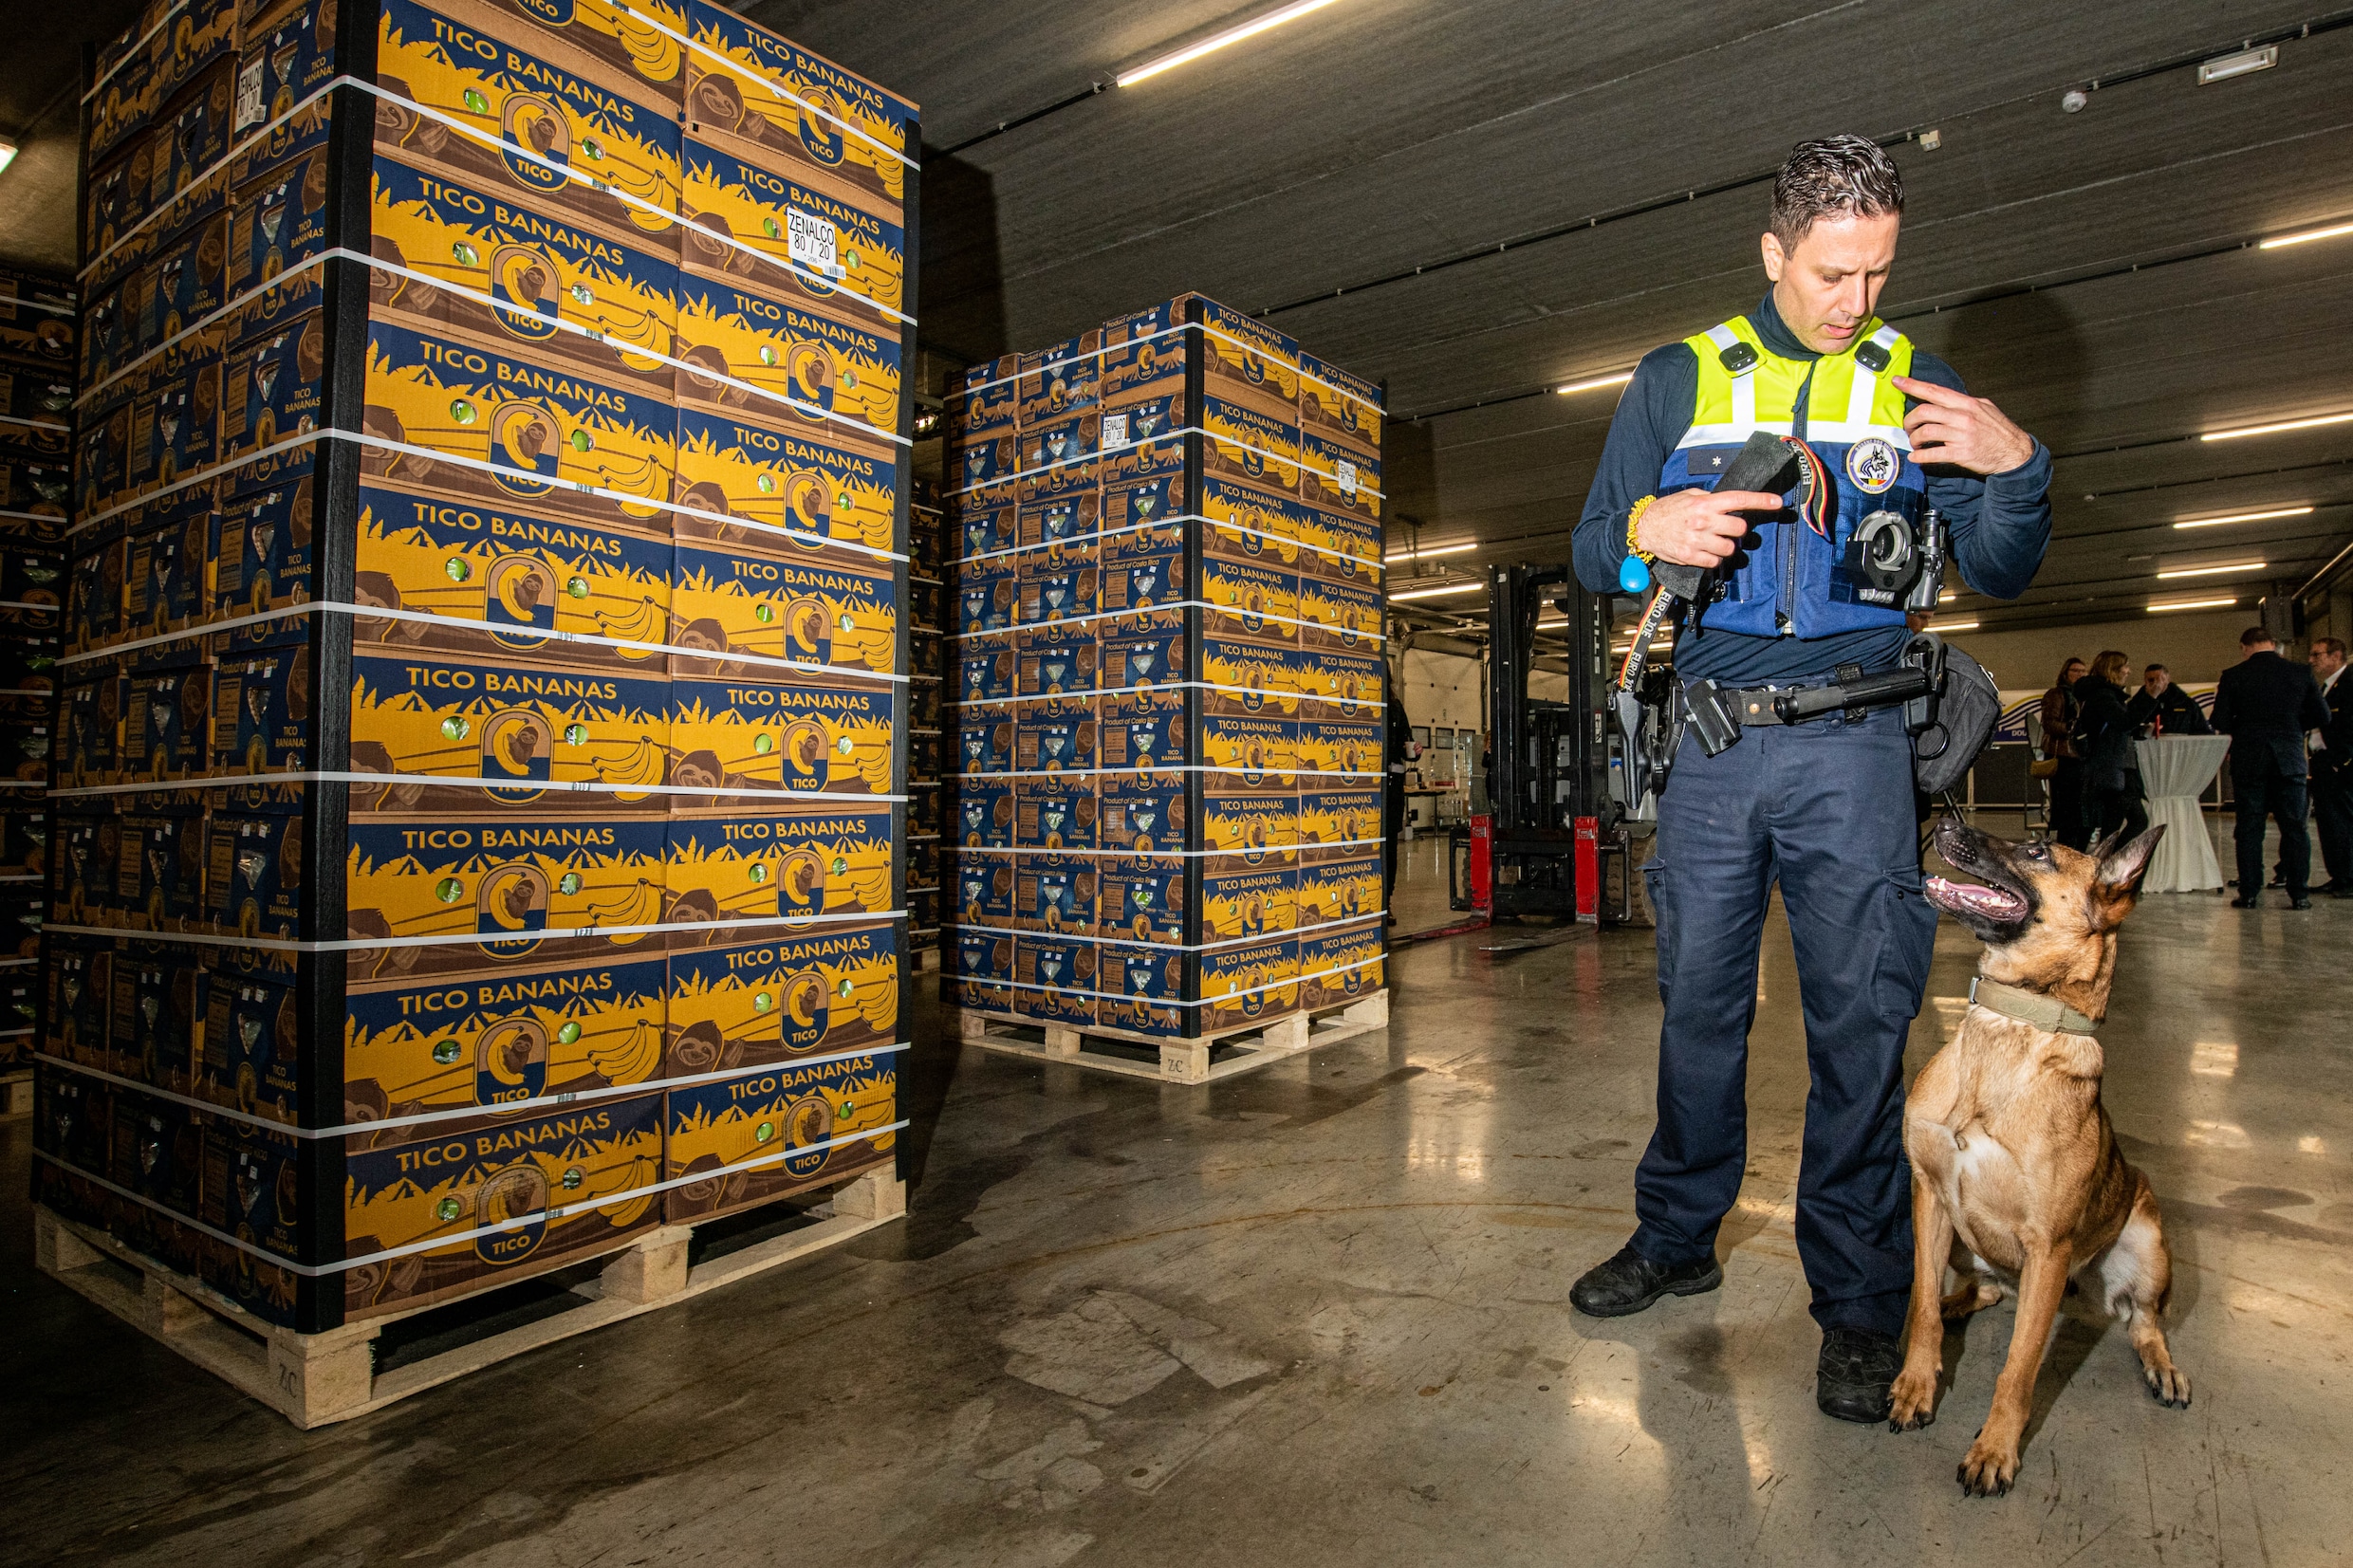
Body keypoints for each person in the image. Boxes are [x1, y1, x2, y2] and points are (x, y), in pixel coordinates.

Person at [1563, 135, 2051, 1423]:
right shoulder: (1678, 380)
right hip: (1716, 751)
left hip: (1856, 753)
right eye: (1836, 272)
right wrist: (1637, 540)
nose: (1860, 301)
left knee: (1860, 1023)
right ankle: (1675, 1238)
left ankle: (1856, 1295)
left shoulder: (1917, 382)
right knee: (1699, 1013)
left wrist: (2017, 468)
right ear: (1775, 252)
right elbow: (1588, 545)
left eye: (1881, 271)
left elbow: (2001, 569)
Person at [2211, 625, 2328, 910]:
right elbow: (2322, 714)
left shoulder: (2234, 676)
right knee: (2295, 828)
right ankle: (2299, 894)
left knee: (2250, 828)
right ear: (2272, 644)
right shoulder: (2300, 672)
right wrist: (2291, 727)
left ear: (2245, 647)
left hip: (2250, 759)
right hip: (2289, 759)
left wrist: (2248, 728)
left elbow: (2220, 721)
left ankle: (2249, 893)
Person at [2074, 651, 2149, 846]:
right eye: (2125, 666)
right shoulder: (2103, 696)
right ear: (2112, 669)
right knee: (2115, 826)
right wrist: (2149, 697)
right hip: (2111, 770)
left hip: (2113, 769)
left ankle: (2108, 864)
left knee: (2130, 822)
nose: (2128, 671)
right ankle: (2106, 865)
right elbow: (2123, 722)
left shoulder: (2104, 695)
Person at [2307, 636, 2353, 896]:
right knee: (2329, 824)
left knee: (2344, 823)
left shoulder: (2348, 684)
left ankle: (2349, 877)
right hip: (2324, 765)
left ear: (2336, 656)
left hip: (2341, 766)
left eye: (2318, 655)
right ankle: (2338, 875)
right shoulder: (2326, 686)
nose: (2312, 660)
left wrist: (2342, 761)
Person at [2041, 657, 2088, 848]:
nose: (2080, 674)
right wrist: (2071, 728)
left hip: (2079, 755)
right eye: (2076, 670)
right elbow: (2049, 723)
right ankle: (2064, 846)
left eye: (2083, 671)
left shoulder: (2084, 696)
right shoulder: (2057, 694)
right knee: (2066, 807)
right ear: (2065, 672)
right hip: (2062, 755)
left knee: (2078, 807)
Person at [1383, 693, 1417, 923]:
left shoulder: (1395, 706)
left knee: (1389, 845)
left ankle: (1386, 901)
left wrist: (1414, 750)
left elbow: (1408, 742)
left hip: (1392, 784)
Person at [2126, 663, 2211, 735]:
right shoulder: (2137, 703)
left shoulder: (2185, 703)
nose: (2157, 684)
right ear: (2145, 681)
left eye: (2161, 679)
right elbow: (2127, 726)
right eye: (2151, 680)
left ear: (2168, 679)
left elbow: (2203, 731)